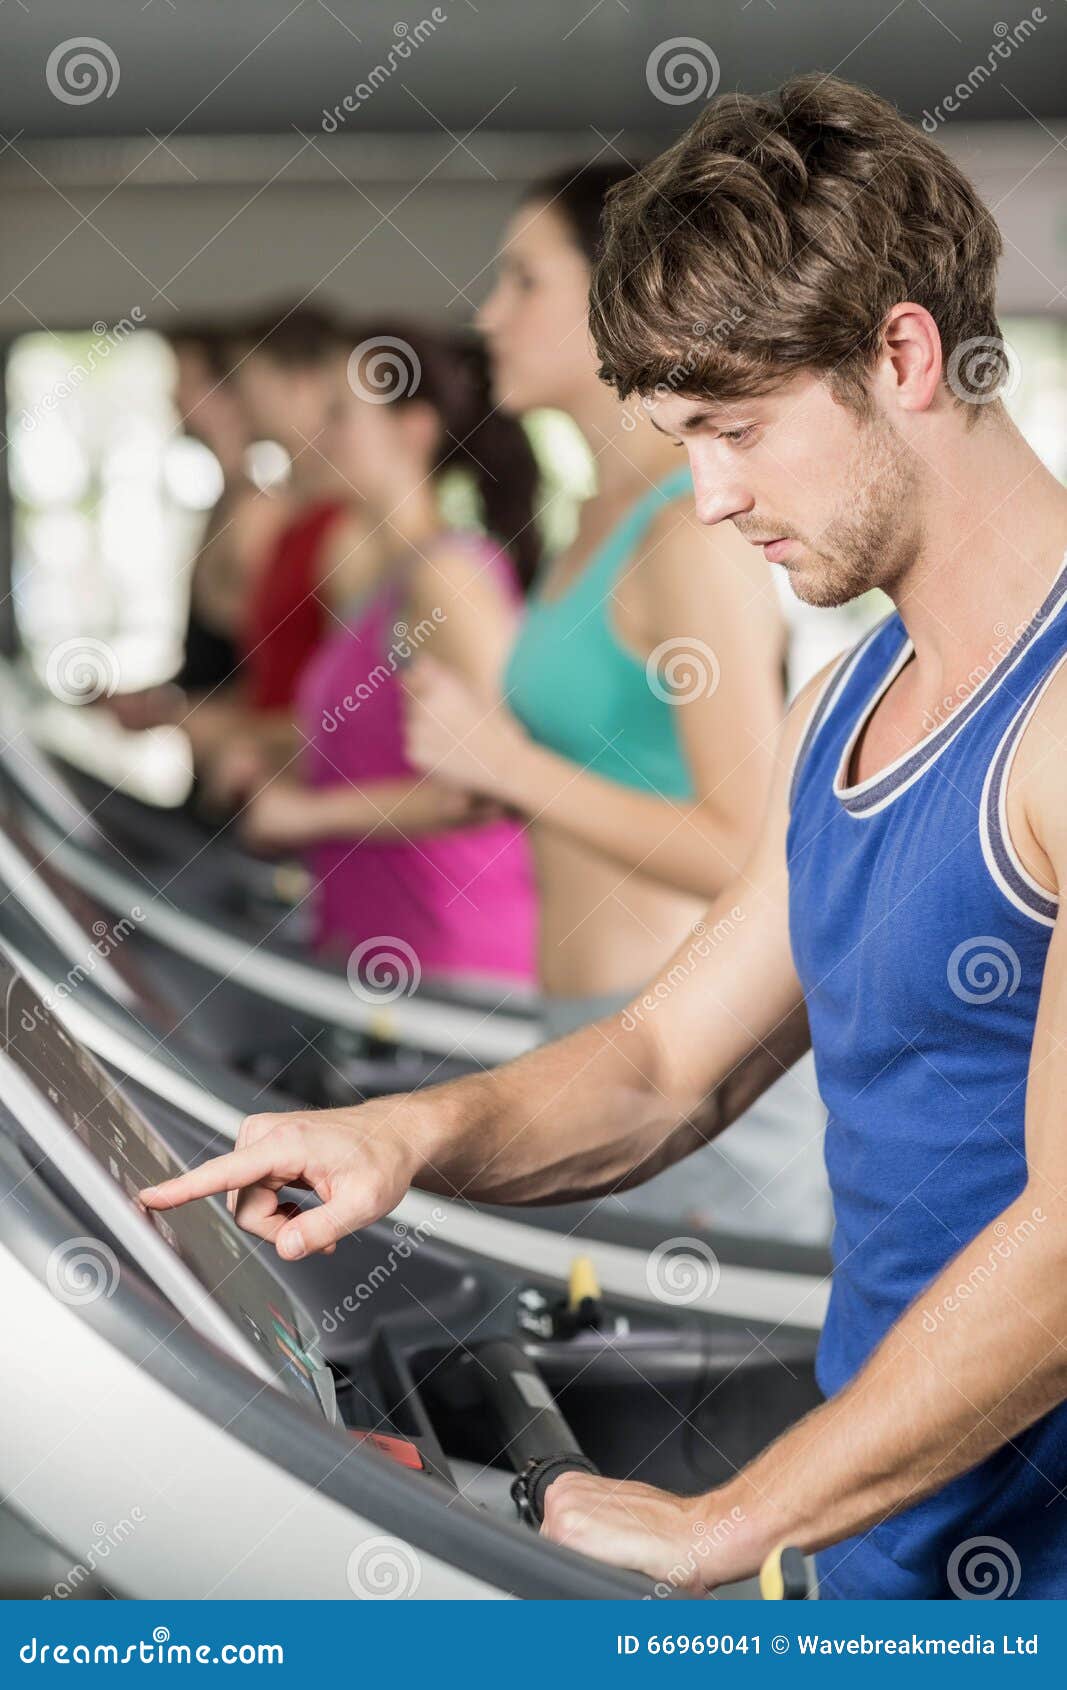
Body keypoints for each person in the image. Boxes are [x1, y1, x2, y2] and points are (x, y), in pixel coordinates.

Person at [142, 75, 1067, 1598]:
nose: (706, 498)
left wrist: (731, 1514)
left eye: (739, 429)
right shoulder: (845, 704)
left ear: (903, 354)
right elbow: (659, 1067)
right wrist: (407, 1137)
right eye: (680, 438)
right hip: (879, 1555)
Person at [404, 163, 826, 1241]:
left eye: (522, 280)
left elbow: (746, 846)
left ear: (614, 299)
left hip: (683, 1053)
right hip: (584, 1031)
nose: (488, 314)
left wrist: (506, 765)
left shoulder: (686, 534)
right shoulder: (590, 520)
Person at [239, 323, 539, 990]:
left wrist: (305, 816)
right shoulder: (373, 580)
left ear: (411, 430)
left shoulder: (448, 580)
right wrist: (271, 761)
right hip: (377, 953)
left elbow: (495, 784)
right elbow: (373, 743)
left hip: (458, 957)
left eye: (340, 416)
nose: (315, 435)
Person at [187, 302, 355, 793]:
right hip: (273, 784)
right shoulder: (287, 517)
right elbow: (256, 646)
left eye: (249, 382)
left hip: (313, 789)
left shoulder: (346, 527)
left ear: (299, 382)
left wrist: (238, 736)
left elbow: (351, 703)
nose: (242, 400)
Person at [109, 323, 289, 735]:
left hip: (245, 770)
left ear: (228, 394)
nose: (173, 396)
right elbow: (215, 666)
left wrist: (167, 713)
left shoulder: (256, 515)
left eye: (185, 380)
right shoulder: (227, 504)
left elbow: (263, 679)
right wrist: (161, 701)